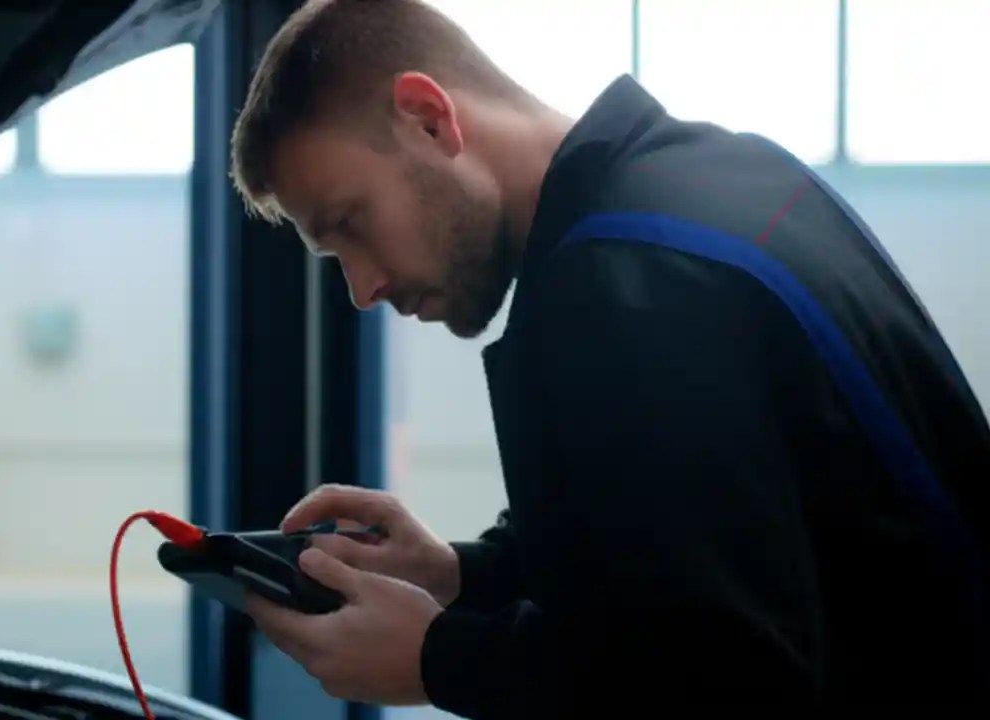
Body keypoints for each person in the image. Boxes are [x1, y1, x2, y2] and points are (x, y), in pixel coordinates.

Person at [228, 0, 990, 714]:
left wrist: (439, 659)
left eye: (351, 223)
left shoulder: (622, 285)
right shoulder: (721, 177)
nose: (362, 289)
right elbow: (686, 545)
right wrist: (459, 577)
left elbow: (724, 683)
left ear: (430, 119)